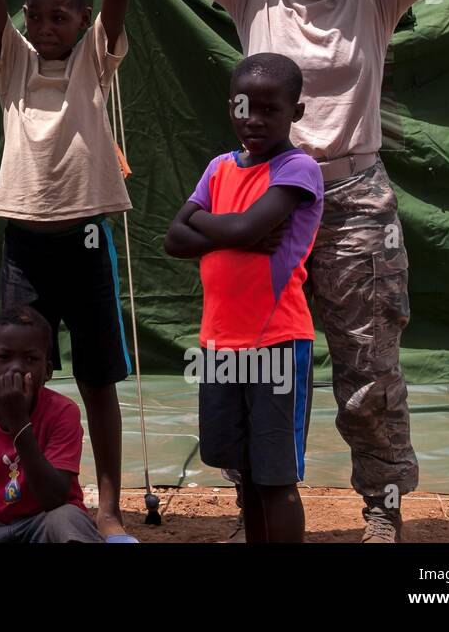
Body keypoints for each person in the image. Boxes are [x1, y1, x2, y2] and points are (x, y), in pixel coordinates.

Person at [165, 0, 449, 541]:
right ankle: (256, 503)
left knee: (368, 366)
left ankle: (382, 502)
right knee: (249, 358)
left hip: (354, 198)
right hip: (265, 198)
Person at [0, 0, 134, 539]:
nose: (44, 25)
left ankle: (106, 504)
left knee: (98, 380)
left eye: (60, 15)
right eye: (36, 15)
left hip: (89, 237)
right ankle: (18, 497)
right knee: (16, 378)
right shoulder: (12, 60)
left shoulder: (95, 59)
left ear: (82, 19)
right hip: (24, 247)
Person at [165, 53, 323, 542]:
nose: (252, 120)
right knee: (245, 473)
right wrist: (235, 233)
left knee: (276, 480)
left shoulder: (299, 168)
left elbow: (247, 223)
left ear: (295, 113)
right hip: (219, 345)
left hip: (276, 343)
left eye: (269, 110)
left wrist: (217, 228)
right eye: (242, 107)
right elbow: (174, 238)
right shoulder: (218, 168)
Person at [0, 307, 101, 543]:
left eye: (31, 359)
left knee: (68, 522)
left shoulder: (63, 412)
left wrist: (18, 421)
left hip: (47, 518)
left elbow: (54, 499)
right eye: (4, 357)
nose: (16, 368)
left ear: (47, 371)